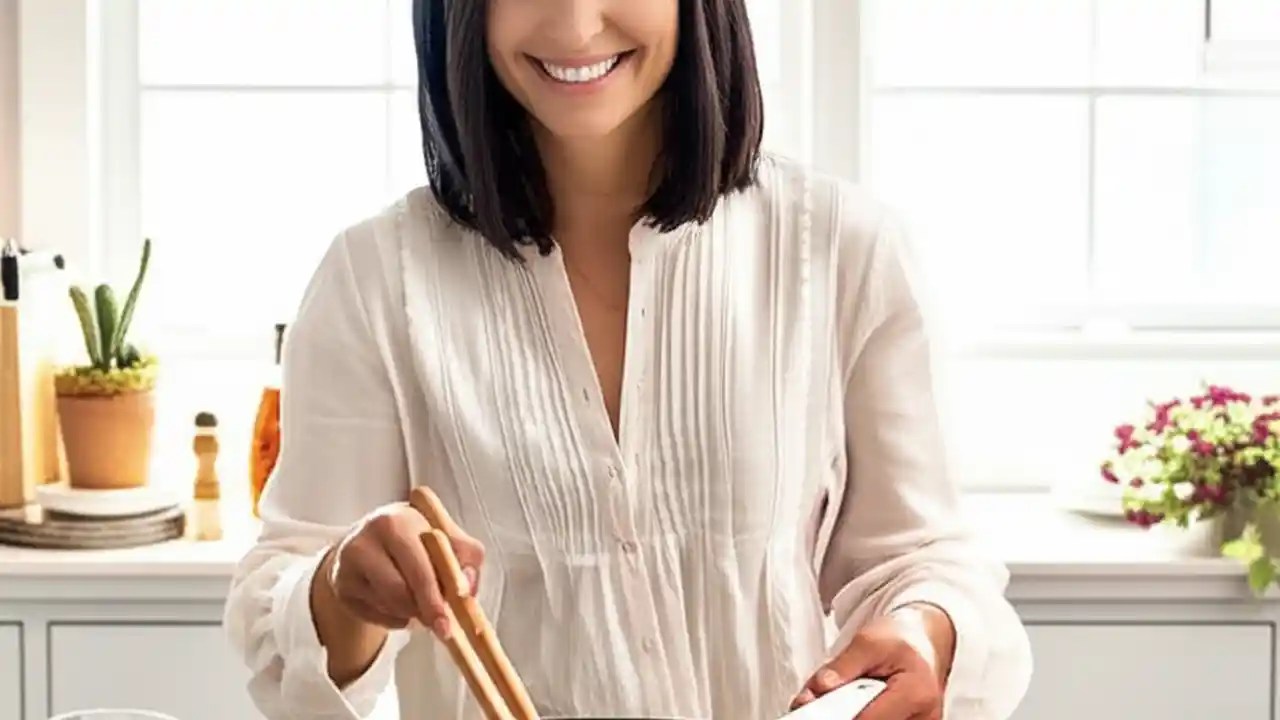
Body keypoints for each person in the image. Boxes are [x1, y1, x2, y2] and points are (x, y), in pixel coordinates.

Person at [223, 0, 1033, 718]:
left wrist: (924, 635)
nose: (577, 25)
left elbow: (926, 560)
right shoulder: (375, 279)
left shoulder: (844, 251)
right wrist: (343, 587)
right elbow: (281, 623)